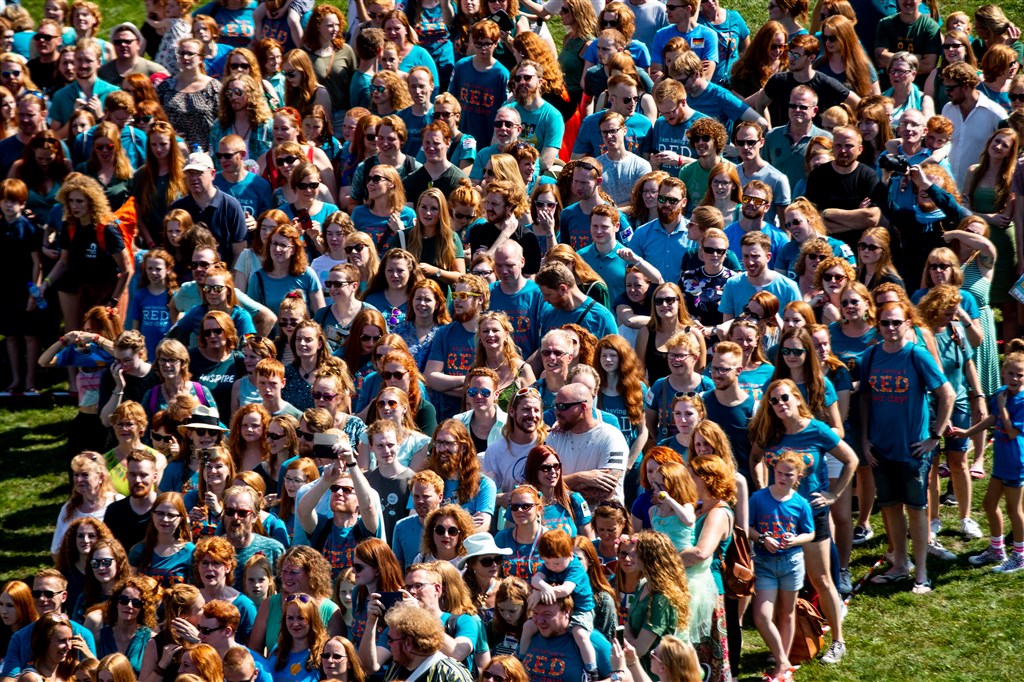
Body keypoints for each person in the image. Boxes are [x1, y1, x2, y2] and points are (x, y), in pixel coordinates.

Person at [860, 300, 954, 594]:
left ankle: (922, 573)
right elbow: (864, 398)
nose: (890, 328)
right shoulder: (871, 355)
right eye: (885, 323)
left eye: (896, 323)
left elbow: (946, 394)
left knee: (916, 509)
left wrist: (935, 436)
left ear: (907, 324)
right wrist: (864, 438)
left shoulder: (917, 355)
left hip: (912, 449)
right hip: (880, 449)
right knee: (889, 508)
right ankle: (900, 565)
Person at [747, 449, 815, 681]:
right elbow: (746, 527)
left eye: (788, 475)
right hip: (765, 563)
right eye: (779, 472)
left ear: (798, 477)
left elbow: (810, 532)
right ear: (772, 471)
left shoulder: (801, 503)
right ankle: (783, 660)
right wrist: (763, 539)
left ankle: (780, 662)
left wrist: (795, 539)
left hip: (792, 562)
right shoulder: (758, 498)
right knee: (762, 616)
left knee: (786, 614)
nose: (782, 478)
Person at [0, 570, 97, 681]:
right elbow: (9, 677)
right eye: (36, 594)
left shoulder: (83, 634)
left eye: (49, 594)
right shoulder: (20, 637)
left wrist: (88, 656)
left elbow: (95, 675)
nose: (42, 599)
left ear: (64, 596)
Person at [545, 383, 628, 505]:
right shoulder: (554, 436)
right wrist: (579, 478)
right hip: (562, 521)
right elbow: (539, 484)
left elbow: (604, 492)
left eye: (562, 406)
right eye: (555, 406)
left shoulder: (611, 436)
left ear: (583, 407)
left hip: (600, 520)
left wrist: (556, 488)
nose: (556, 412)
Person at [221, 485, 286, 589]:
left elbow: (284, 591)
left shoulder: (273, 549)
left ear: (255, 517)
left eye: (242, 513)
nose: (235, 517)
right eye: (230, 511)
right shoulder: (210, 551)